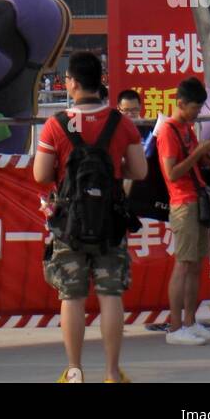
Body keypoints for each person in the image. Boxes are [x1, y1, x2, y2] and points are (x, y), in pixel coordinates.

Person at [34, 50, 147, 384]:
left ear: (70, 83)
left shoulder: (56, 124)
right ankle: (112, 373)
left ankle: (75, 372)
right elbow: (139, 170)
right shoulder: (121, 122)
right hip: (110, 222)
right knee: (110, 295)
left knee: (72, 297)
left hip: (69, 223)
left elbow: (41, 174)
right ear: (101, 81)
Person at [157, 77, 210, 345]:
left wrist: (209, 153)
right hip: (183, 202)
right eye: (195, 108)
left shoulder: (186, 129)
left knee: (195, 265)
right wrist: (199, 154)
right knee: (183, 264)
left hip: (197, 199)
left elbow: (196, 163)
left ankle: (190, 322)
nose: (197, 113)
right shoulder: (168, 131)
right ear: (181, 103)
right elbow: (172, 173)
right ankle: (175, 328)